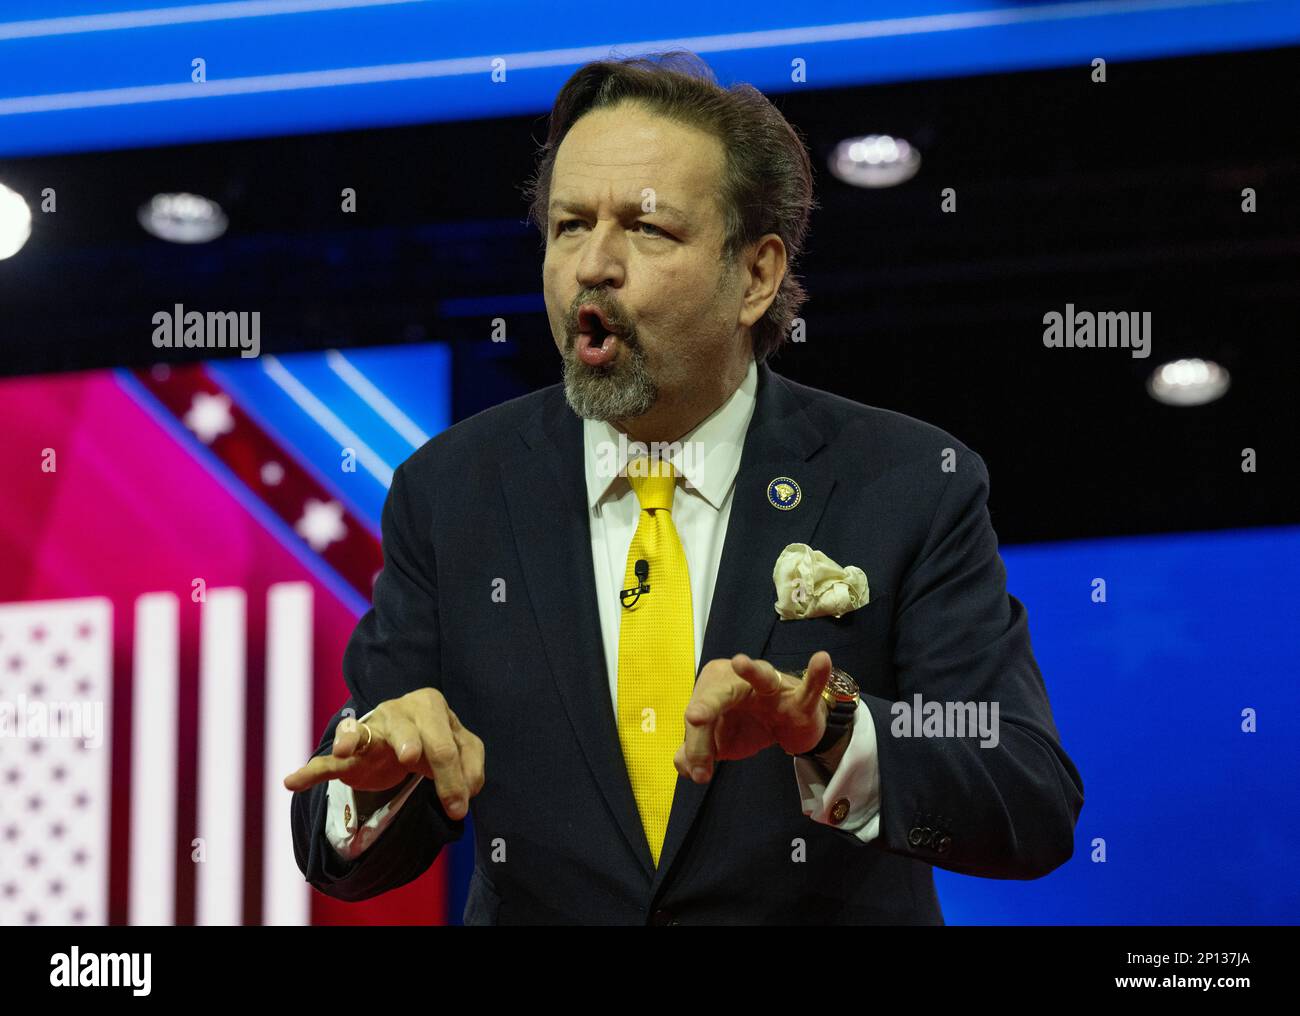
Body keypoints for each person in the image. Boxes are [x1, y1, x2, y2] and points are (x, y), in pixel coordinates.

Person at [284, 51, 1083, 925]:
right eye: (568, 226)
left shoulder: (906, 484)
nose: (593, 265)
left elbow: (1026, 791)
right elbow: (347, 846)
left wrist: (832, 732)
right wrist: (377, 782)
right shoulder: (451, 493)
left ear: (757, 276)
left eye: (647, 228)